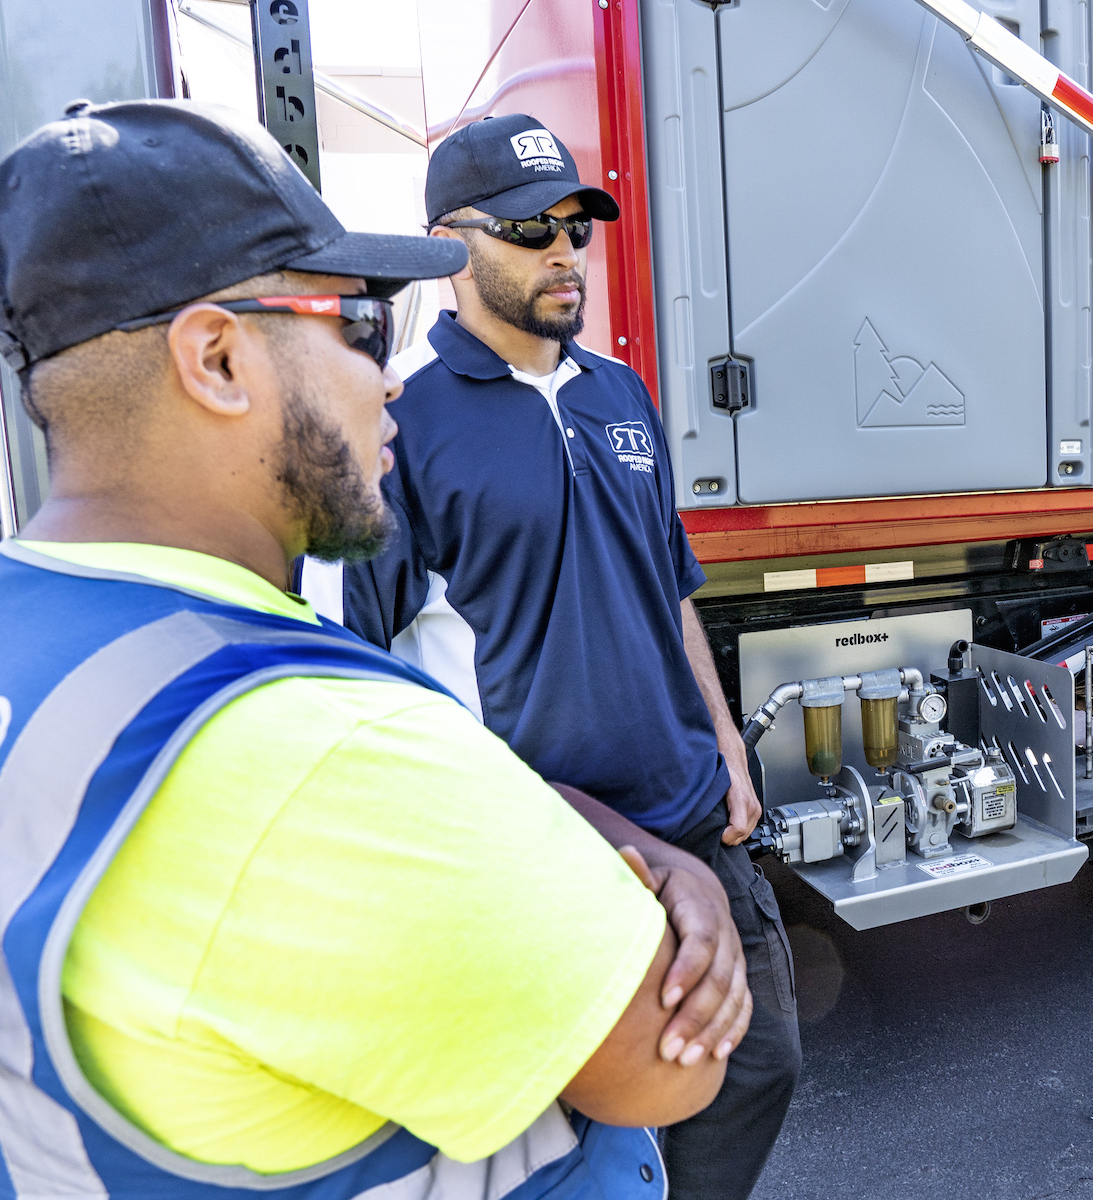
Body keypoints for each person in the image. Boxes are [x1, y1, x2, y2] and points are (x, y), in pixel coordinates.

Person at [0, 99, 752, 1198]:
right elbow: (661, 1069)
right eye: (357, 328)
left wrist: (679, 824)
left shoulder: (44, 629)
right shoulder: (312, 745)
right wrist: (677, 886)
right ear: (214, 358)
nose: (384, 380)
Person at [303, 113, 797, 1200]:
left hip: (683, 809)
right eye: (531, 230)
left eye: (578, 226)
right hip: (548, 843)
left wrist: (723, 739)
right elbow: (357, 660)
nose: (565, 251)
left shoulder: (620, 395)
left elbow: (669, 586)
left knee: (759, 1062)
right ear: (448, 243)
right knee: (591, 1114)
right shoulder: (405, 423)